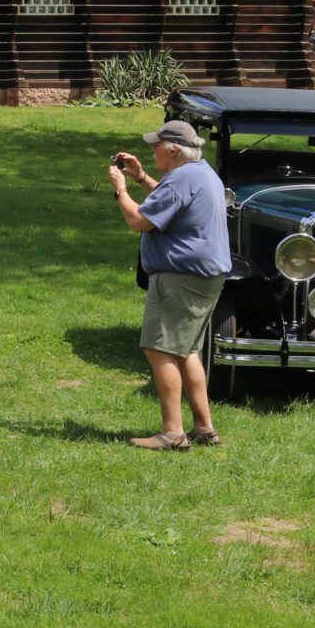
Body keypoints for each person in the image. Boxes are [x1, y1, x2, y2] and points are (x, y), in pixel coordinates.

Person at [108, 119, 230, 451]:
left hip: (180, 278)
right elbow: (171, 204)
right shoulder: (202, 173)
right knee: (187, 350)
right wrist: (142, 176)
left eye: (156, 146)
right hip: (207, 278)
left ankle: (172, 433)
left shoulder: (181, 180)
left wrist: (121, 188)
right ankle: (204, 427)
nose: (152, 150)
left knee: (160, 348)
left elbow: (139, 221)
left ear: (173, 150)